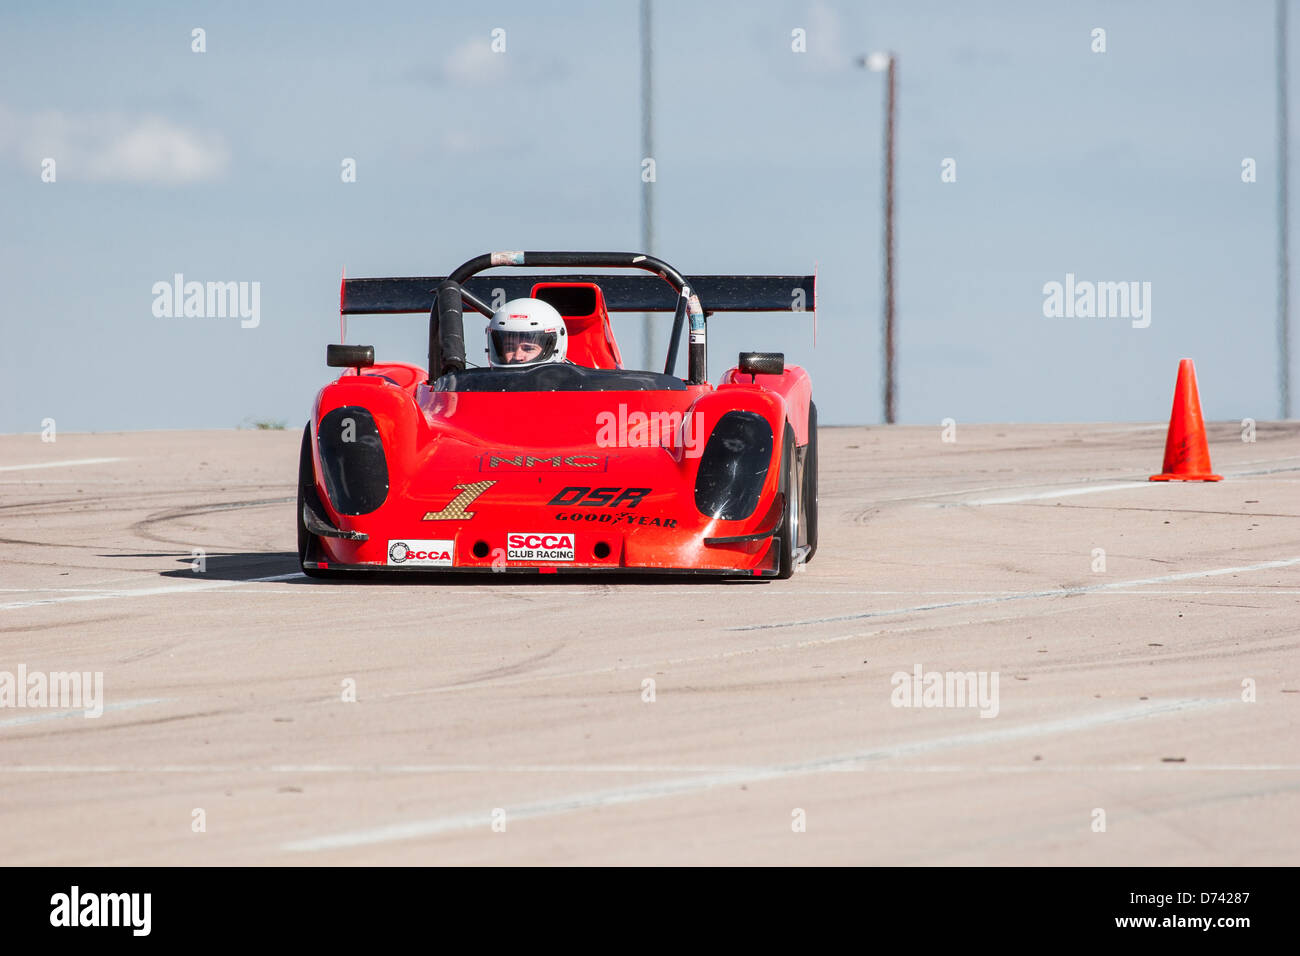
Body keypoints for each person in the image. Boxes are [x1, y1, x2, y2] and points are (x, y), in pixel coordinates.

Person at [486, 298, 568, 367]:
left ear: (554, 348)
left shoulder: (571, 385)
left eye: (529, 349)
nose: (517, 357)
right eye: (510, 348)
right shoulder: (483, 385)